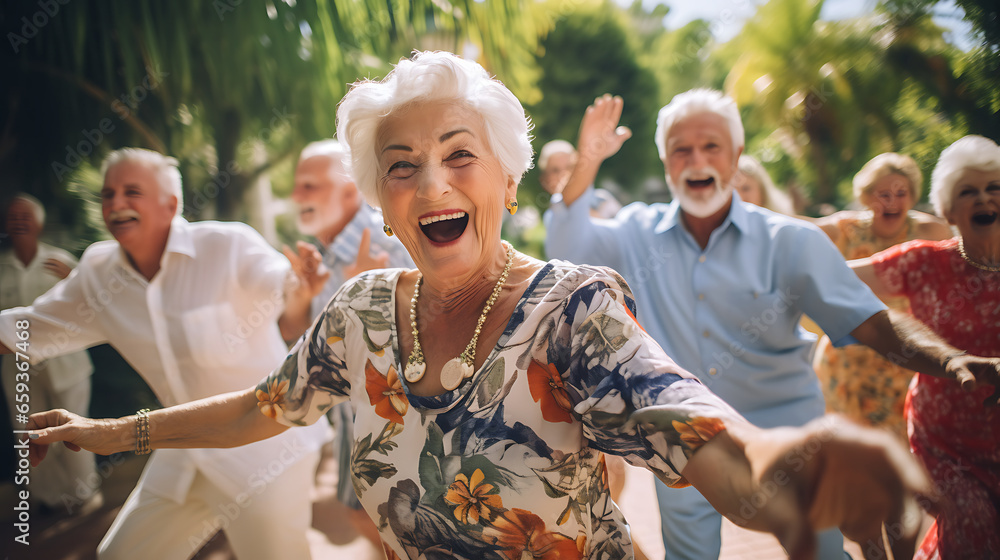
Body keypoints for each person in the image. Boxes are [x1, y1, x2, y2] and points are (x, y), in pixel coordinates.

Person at [21, 52, 994, 560]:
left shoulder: (571, 309)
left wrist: (800, 459)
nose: (430, 179)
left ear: (505, 177)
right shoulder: (357, 313)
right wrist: (114, 431)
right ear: (383, 203)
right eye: (399, 165)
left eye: (458, 152)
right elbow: (262, 405)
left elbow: (710, 436)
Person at [543, 89, 997, 560]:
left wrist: (952, 358)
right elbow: (566, 238)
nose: (697, 160)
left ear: (737, 156)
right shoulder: (636, 233)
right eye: (682, 149)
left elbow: (874, 325)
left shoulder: (791, 240)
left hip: (793, 442)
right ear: (666, 162)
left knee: (819, 553)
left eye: (711, 146)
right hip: (683, 439)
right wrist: (589, 157)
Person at [0, 148, 330, 559]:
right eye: (107, 194)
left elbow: (286, 298)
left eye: (131, 192)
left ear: (170, 205)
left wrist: (302, 287)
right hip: (184, 446)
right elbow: (23, 328)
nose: (116, 203)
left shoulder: (227, 245)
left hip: (267, 451)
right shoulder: (98, 275)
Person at [849, 135, 1000, 559]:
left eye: (994, 188)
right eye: (968, 191)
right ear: (948, 209)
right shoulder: (923, 262)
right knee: (973, 523)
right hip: (945, 443)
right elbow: (835, 279)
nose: (984, 198)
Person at [291, 138, 413, 549]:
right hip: (354, 414)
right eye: (298, 185)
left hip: (387, 419)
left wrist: (367, 298)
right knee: (367, 521)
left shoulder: (381, 244)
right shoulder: (329, 250)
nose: (297, 196)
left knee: (372, 521)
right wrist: (305, 299)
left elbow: (423, 341)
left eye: (311, 186)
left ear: (348, 191)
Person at [812, 153, 951, 439]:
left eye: (901, 193)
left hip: (906, 363)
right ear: (865, 197)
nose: (892, 201)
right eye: (882, 194)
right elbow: (793, 232)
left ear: (912, 197)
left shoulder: (931, 232)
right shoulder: (845, 229)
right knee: (853, 456)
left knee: (907, 457)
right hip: (847, 367)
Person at [1, 193, 101, 515]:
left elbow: (95, 305)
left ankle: (86, 495)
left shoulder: (61, 261)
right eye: (13, 215)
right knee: (29, 433)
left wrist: (72, 278)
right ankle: (48, 498)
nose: (18, 221)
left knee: (76, 431)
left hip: (66, 365)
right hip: (19, 368)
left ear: (39, 223)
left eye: (25, 215)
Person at [539, 139, 622, 219]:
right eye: (555, 170)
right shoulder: (551, 218)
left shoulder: (602, 199)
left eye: (569, 167)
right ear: (546, 178)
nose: (564, 174)